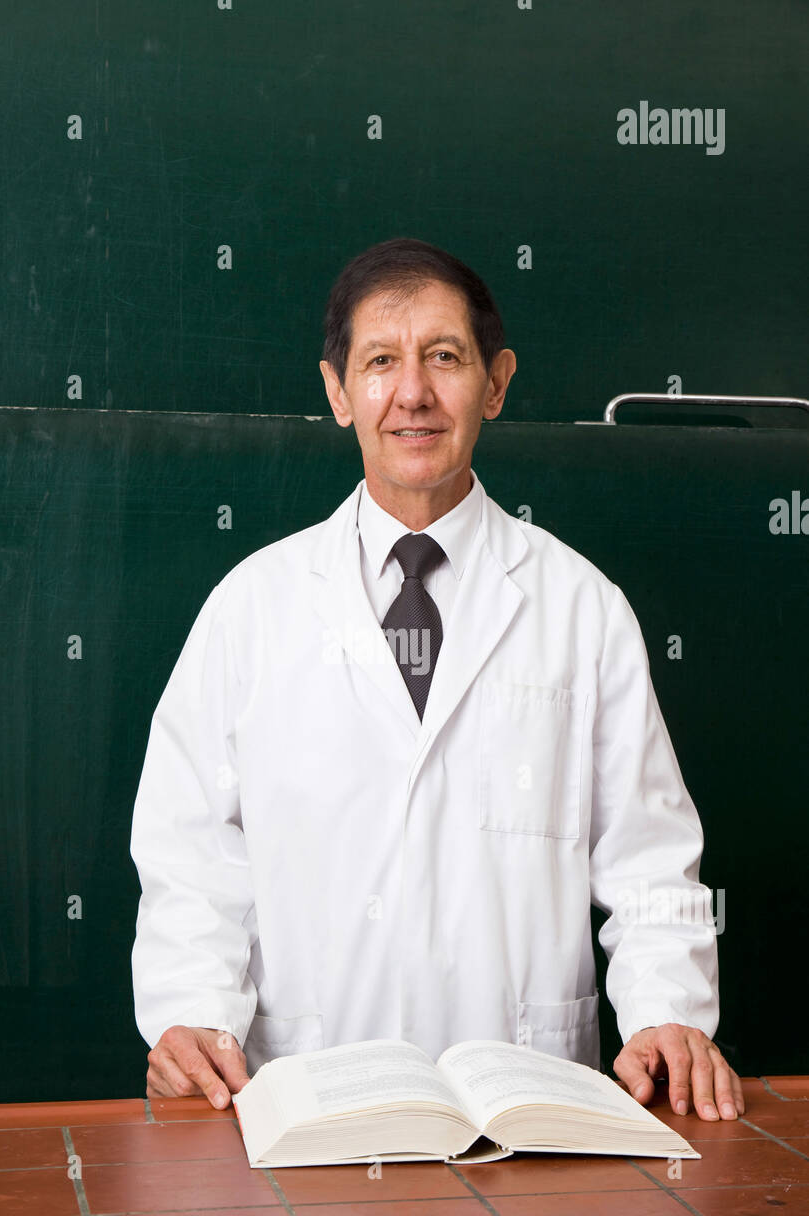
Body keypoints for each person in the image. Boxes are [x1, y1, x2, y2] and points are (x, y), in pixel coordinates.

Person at [130, 237, 744, 1124]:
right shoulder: (251, 609)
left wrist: (667, 1017)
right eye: (380, 361)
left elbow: (649, 858)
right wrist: (191, 1013)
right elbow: (191, 854)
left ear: (495, 384)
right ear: (338, 392)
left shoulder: (583, 608)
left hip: (528, 1115)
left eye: (444, 358)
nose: (411, 392)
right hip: (302, 1101)